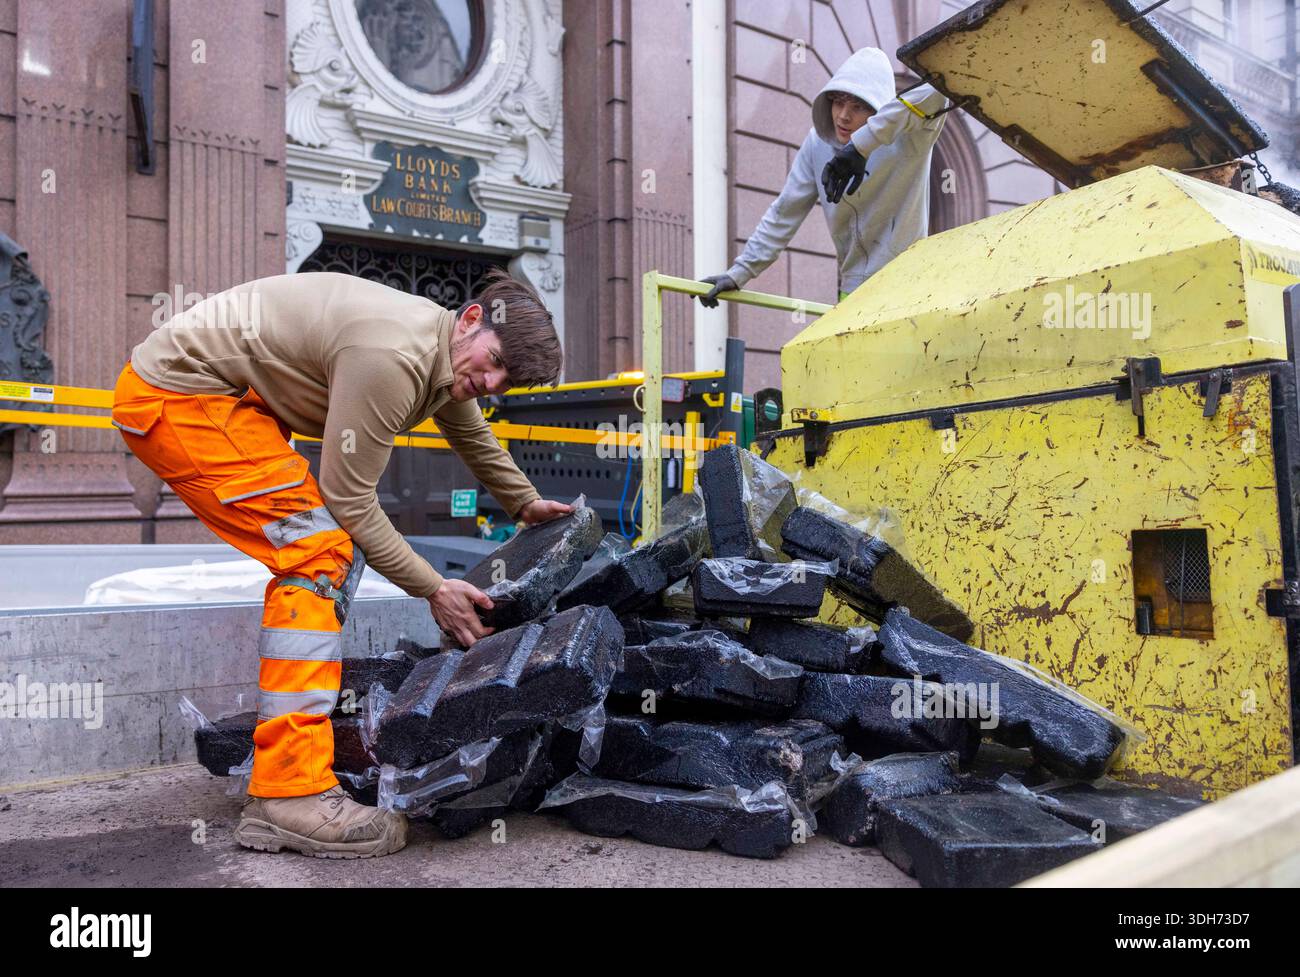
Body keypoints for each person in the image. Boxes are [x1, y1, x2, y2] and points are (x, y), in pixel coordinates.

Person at [113, 268, 570, 858]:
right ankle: (288, 792)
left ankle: (292, 761)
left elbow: (471, 434)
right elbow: (349, 497)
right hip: (180, 396)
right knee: (321, 551)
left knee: (332, 549)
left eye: (505, 380)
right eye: (494, 363)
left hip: (232, 400)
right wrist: (433, 588)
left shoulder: (442, 353)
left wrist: (524, 502)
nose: (491, 382)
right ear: (473, 318)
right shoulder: (391, 358)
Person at [699, 47, 949, 306]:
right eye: (838, 102)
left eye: (858, 106)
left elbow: (939, 88)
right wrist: (739, 273)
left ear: (880, 108)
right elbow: (784, 212)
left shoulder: (912, 137)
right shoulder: (816, 144)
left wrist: (861, 145)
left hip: (906, 287)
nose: (843, 115)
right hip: (853, 291)